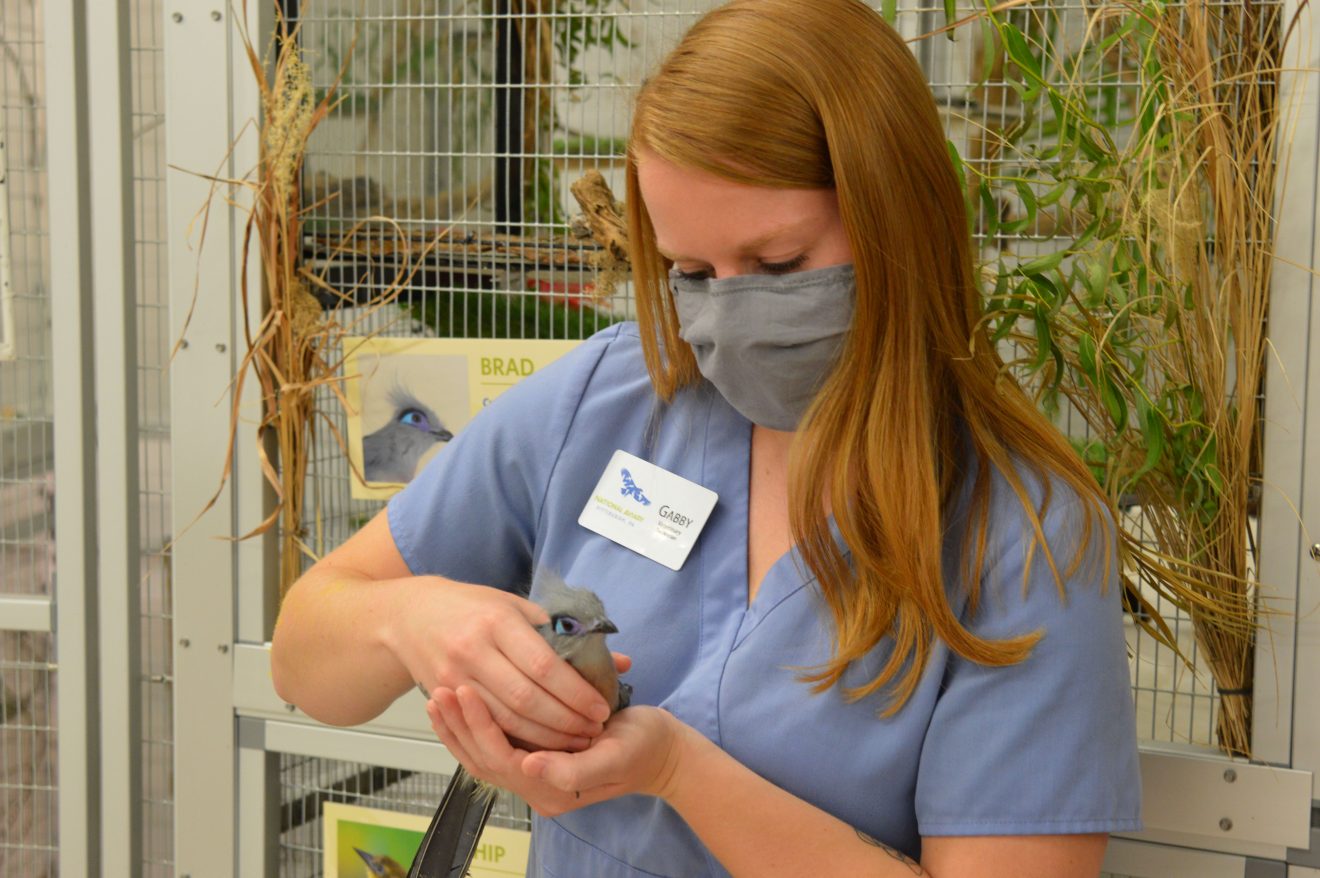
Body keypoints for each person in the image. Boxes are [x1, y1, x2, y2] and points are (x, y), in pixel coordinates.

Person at [270, 0, 1142, 874]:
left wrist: (677, 771)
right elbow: (305, 657)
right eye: (690, 273)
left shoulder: (1029, 538)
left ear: (895, 220)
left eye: (778, 264)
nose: (730, 314)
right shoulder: (613, 397)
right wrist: (417, 620)